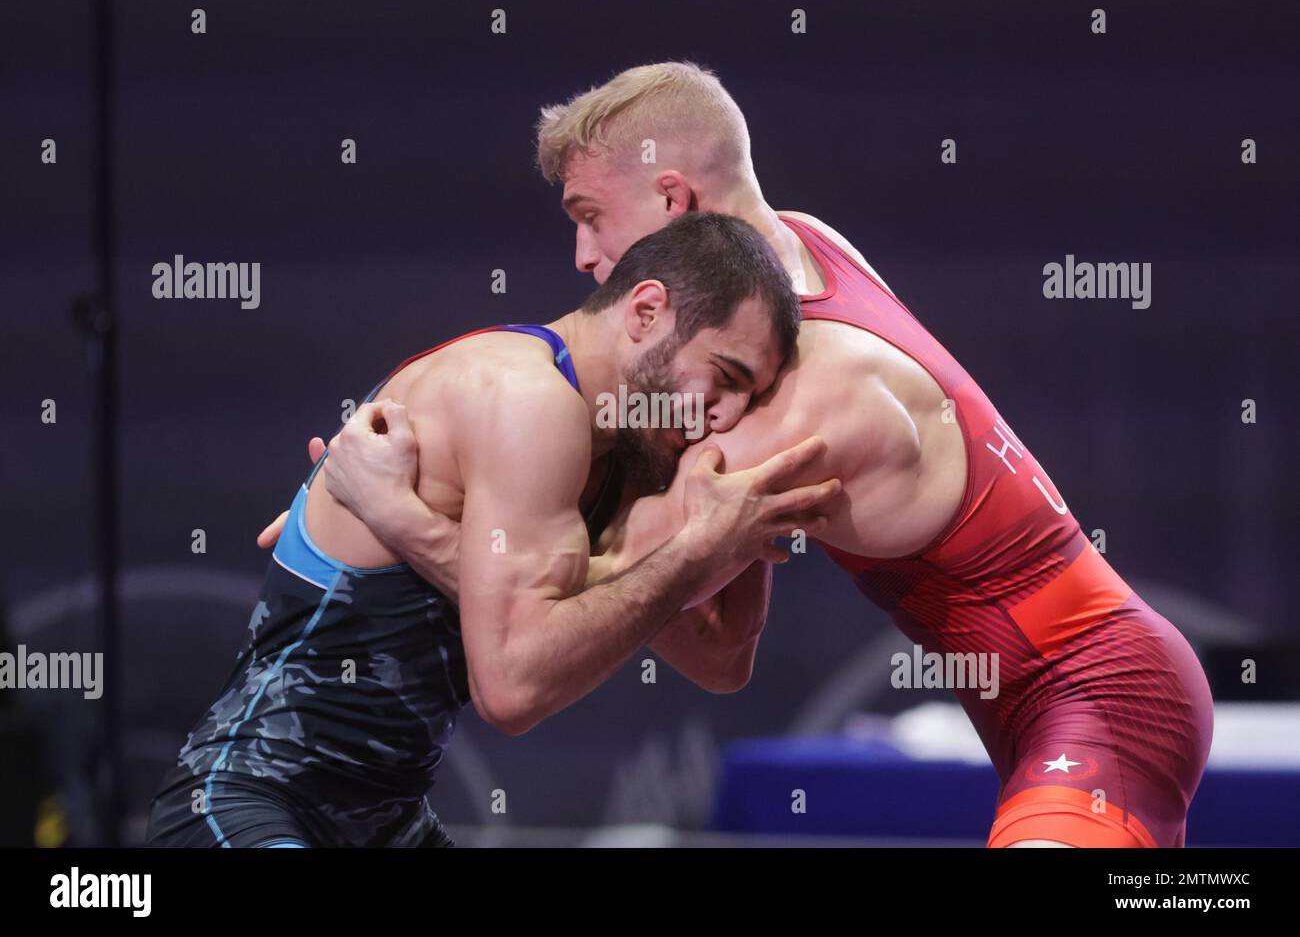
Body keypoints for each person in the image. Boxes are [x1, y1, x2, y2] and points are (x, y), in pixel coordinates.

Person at [299, 62, 1213, 848]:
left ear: (671, 201)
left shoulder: (799, 402)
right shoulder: (811, 244)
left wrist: (394, 513)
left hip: (1105, 692)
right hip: (1054, 691)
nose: (583, 255)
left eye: (590, 215)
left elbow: (554, 638)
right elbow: (699, 629)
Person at [147, 211, 841, 847]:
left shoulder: (631, 447)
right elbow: (513, 683)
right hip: (248, 801)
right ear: (647, 310)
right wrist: (694, 552)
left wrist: (408, 524)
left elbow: (720, 658)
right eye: (724, 377)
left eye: (749, 399)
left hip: (389, 823)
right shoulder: (526, 400)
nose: (723, 415)